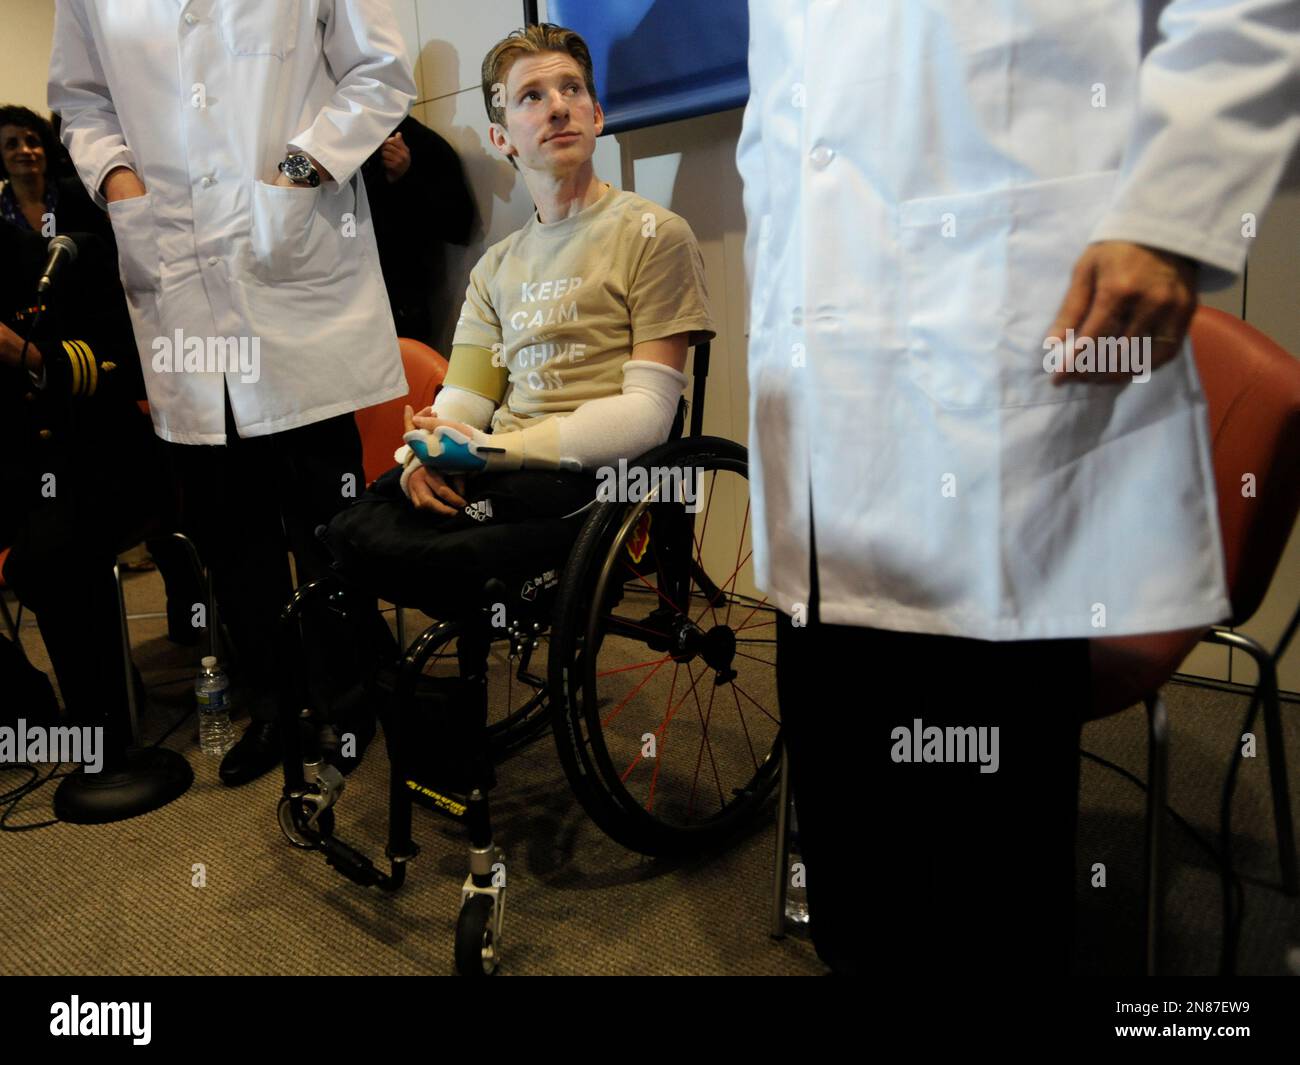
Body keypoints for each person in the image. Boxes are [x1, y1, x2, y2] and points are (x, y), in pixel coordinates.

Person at [736, 0, 1300, 977]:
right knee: (853, 878)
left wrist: (1171, 213)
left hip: (992, 365)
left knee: (978, 888)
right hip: (818, 417)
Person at [48, 0, 418, 785]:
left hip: (289, 252)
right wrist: (119, 183)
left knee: (323, 509)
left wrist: (298, 168)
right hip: (175, 270)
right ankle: (277, 705)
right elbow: (80, 98)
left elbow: (379, 71)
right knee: (229, 524)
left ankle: (349, 695)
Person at [323, 23, 713, 737]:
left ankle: (444, 737)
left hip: (597, 478)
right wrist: (421, 457)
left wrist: (495, 453)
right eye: (531, 96)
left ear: (596, 116)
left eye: (572, 90)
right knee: (353, 525)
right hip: (505, 466)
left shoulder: (653, 235)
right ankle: (401, 718)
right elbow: (467, 398)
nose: (557, 106)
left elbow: (652, 412)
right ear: (502, 136)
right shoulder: (495, 268)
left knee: (454, 551)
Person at [361, 114, 475, 347]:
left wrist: (406, 177)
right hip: (343, 300)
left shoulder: (422, 143)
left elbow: (459, 226)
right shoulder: (338, 144)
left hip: (400, 308)